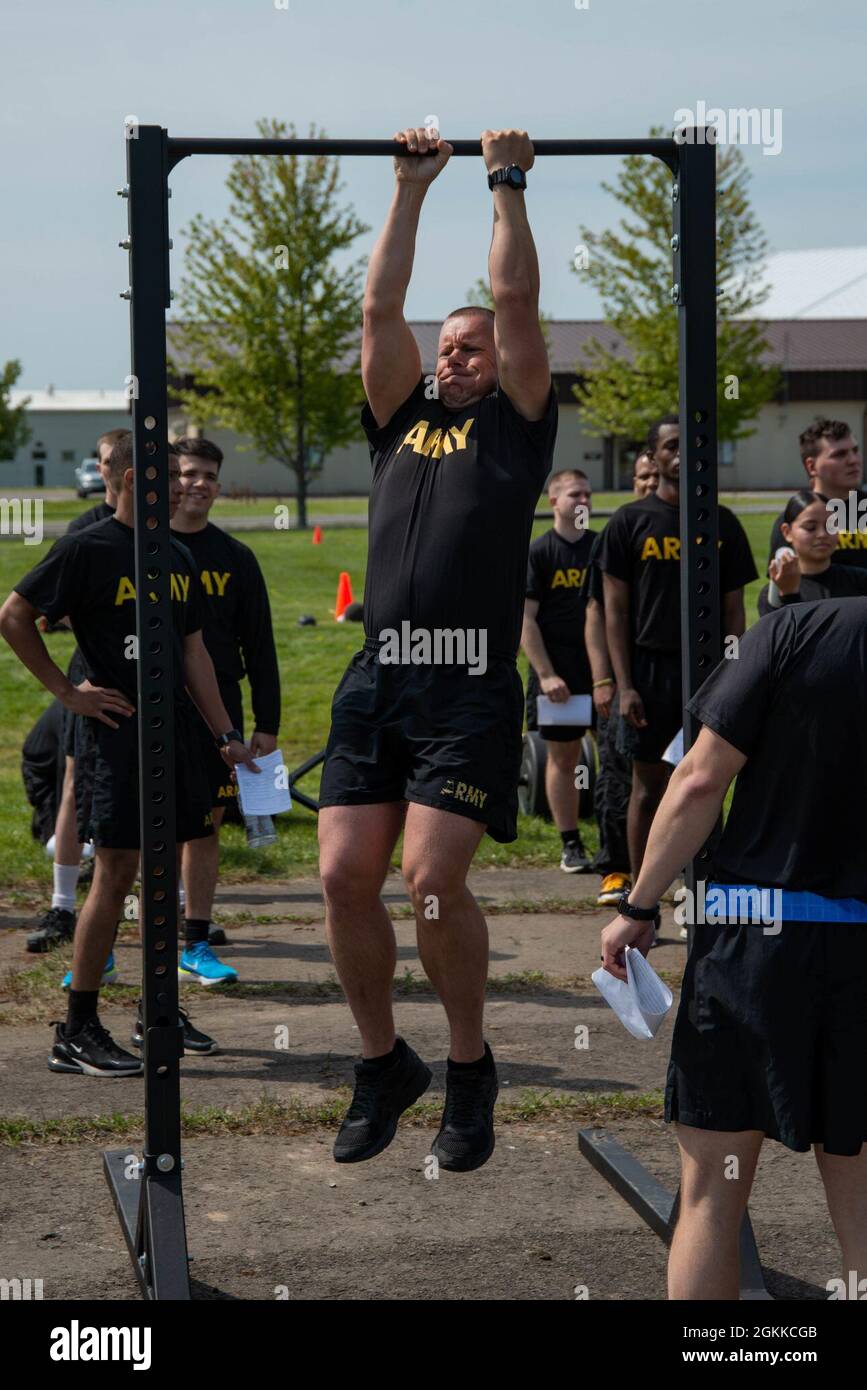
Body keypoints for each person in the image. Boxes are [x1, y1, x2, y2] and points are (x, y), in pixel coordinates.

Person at [317, 123, 557, 1172]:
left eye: (470, 346)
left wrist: (503, 184)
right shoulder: (395, 421)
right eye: (445, 346)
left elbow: (513, 304)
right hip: (379, 675)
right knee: (340, 876)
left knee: (425, 880)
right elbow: (376, 310)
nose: (456, 355)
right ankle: (384, 1064)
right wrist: (411, 189)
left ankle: (468, 1066)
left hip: (466, 681)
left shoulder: (514, 424)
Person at [601, 596, 867, 1299]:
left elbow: (697, 779)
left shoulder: (791, 630)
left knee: (711, 1197)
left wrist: (637, 903)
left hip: (755, 946)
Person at [0, 436, 258, 1076]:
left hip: (177, 733)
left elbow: (193, 649)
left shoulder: (174, 553)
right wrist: (67, 693)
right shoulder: (88, 549)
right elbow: (14, 615)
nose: (175, 485)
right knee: (116, 875)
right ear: (122, 479)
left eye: (178, 475)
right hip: (115, 734)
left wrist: (226, 733)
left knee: (165, 876)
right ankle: (77, 1027)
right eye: (162, 475)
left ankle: (157, 1009)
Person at [597, 414, 757, 885]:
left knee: (704, 783)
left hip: (707, 673)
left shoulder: (721, 522)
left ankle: (703, 892)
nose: (682, 454)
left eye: (693, 445)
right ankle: (643, 896)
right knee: (647, 788)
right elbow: (614, 613)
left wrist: (730, 676)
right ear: (652, 456)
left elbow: (734, 613)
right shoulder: (629, 521)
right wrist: (623, 685)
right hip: (648, 674)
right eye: (670, 446)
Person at [170, 435, 281, 982]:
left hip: (219, 710)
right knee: (146, 829)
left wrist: (267, 723)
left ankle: (195, 940)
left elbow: (260, 645)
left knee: (205, 827)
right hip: (154, 706)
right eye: (189, 473)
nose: (199, 484)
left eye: (210, 476)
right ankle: (137, 936)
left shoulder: (235, 557)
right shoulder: (142, 549)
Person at [26, 427, 128, 954]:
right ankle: (63, 904)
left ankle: (181, 913)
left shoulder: (164, 535)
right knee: (74, 786)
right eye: (101, 459)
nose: (104, 466)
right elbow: (37, 613)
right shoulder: (86, 532)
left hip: (150, 687)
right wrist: (69, 691)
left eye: (112, 457)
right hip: (92, 678)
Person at [584, 449, 662, 905]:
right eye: (643, 476)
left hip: (665, 678)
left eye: (656, 476)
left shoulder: (682, 525)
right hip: (623, 678)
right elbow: (596, 612)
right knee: (619, 776)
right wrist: (603, 679)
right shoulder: (621, 530)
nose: (651, 484)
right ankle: (616, 870)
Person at [522, 470, 596, 871]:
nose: (583, 500)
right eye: (574, 494)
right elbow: (525, 621)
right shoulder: (540, 552)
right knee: (564, 759)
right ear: (553, 501)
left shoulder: (601, 548)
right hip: (560, 679)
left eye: (587, 493)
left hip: (603, 675)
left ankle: (616, 842)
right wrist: (547, 674)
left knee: (620, 758)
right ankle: (571, 843)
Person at [767, 418, 866, 571]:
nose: (853, 460)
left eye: (855, 450)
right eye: (839, 454)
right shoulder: (796, 522)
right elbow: (782, 588)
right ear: (812, 466)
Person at [759, 489, 867, 616]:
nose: (822, 534)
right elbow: (787, 634)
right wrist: (789, 594)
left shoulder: (859, 581)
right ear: (787, 532)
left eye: (831, 526)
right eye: (810, 527)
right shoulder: (774, 592)